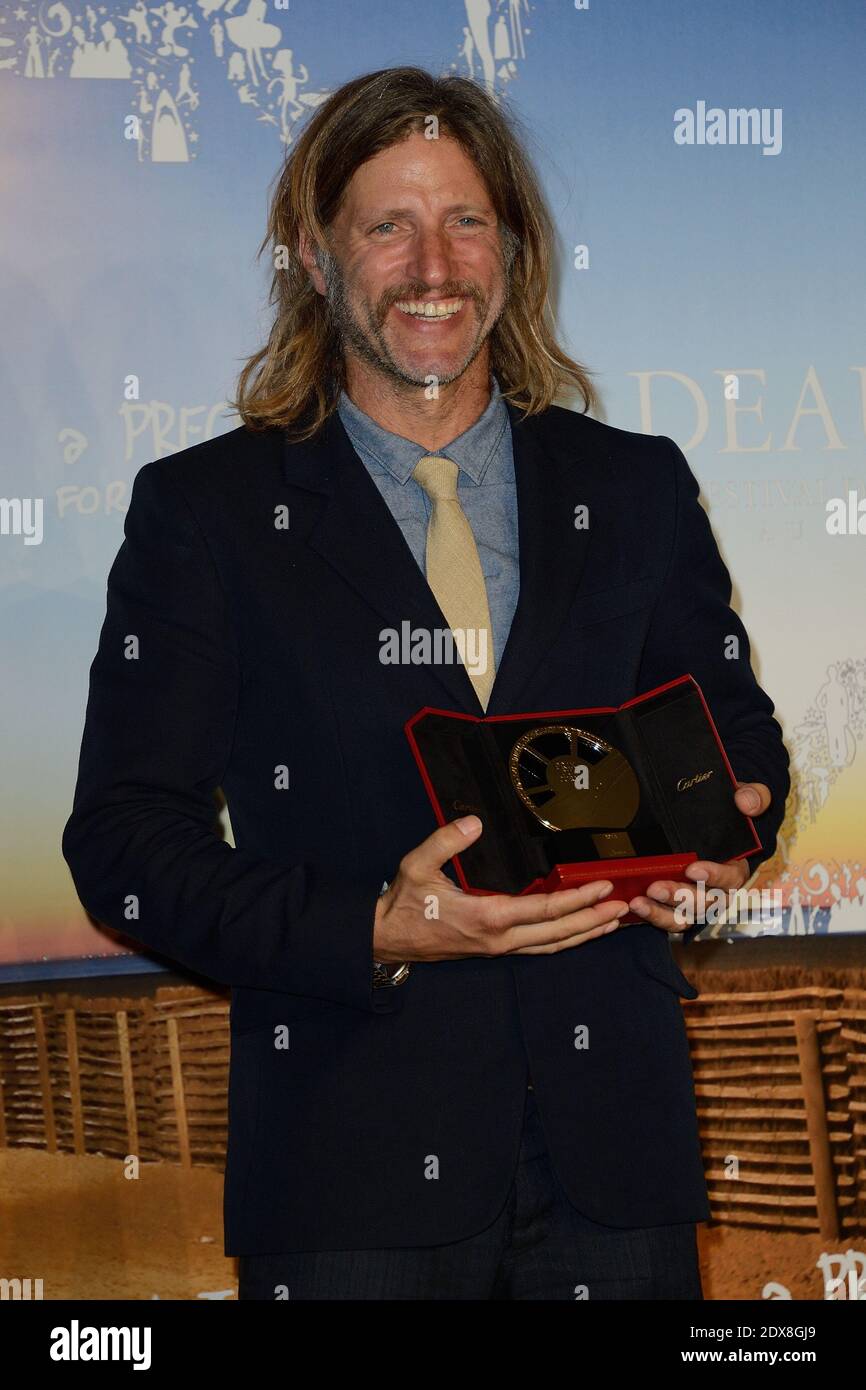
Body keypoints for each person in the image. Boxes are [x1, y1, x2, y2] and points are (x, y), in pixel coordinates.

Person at [63, 66, 790, 1300]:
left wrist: (721, 840)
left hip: (616, 1170)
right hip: (348, 1177)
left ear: (510, 247)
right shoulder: (207, 515)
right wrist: (377, 928)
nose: (431, 265)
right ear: (312, 253)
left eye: (463, 220)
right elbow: (125, 842)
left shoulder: (634, 484)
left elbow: (735, 742)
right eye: (385, 225)